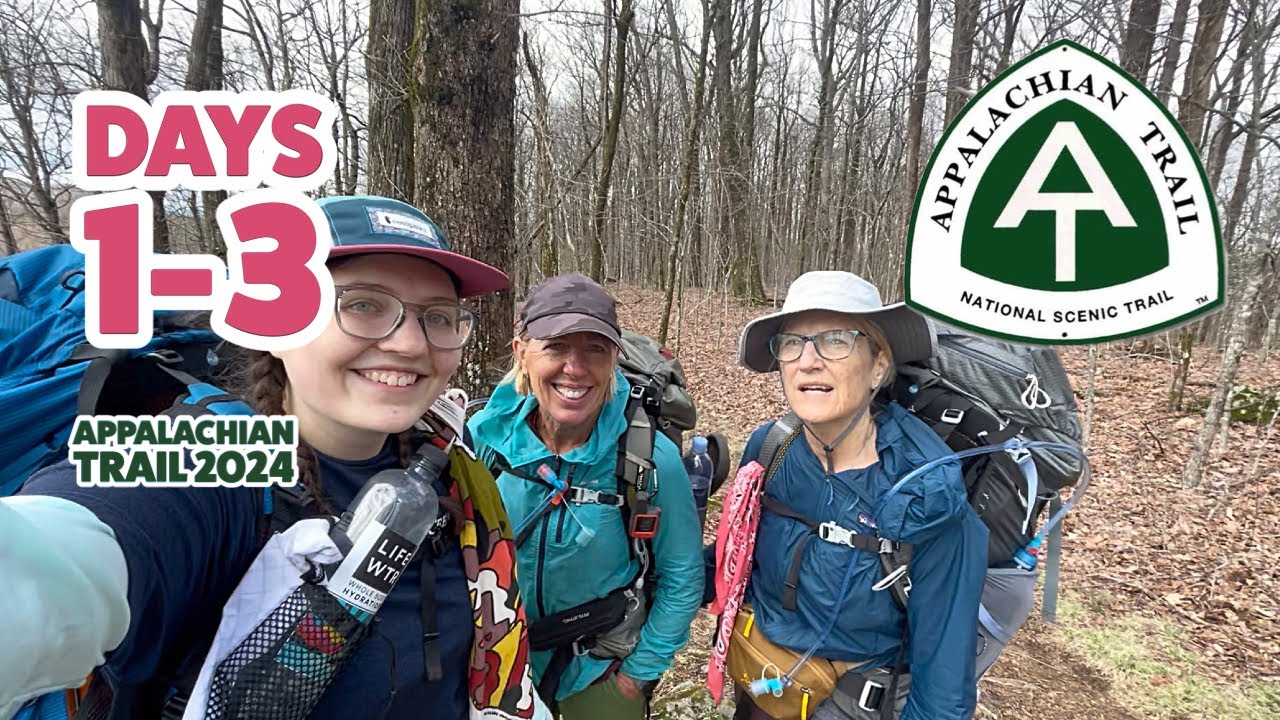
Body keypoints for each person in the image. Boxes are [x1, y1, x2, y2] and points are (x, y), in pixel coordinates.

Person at [0, 196, 549, 720]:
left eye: (439, 316)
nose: (410, 344)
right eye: (363, 305)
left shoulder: (453, 471)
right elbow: (61, 558)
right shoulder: (203, 462)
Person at [717, 271, 988, 720]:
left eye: (836, 341)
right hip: (764, 681)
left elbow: (943, 690)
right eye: (792, 343)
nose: (808, 361)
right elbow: (737, 554)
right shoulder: (771, 447)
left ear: (878, 366)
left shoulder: (926, 488)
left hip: (851, 703)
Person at [468, 273, 704, 719]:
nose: (574, 368)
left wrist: (636, 676)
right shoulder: (484, 437)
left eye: (594, 349)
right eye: (555, 347)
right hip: (497, 665)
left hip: (599, 670)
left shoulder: (648, 457)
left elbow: (682, 575)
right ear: (522, 353)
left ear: (614, 357)